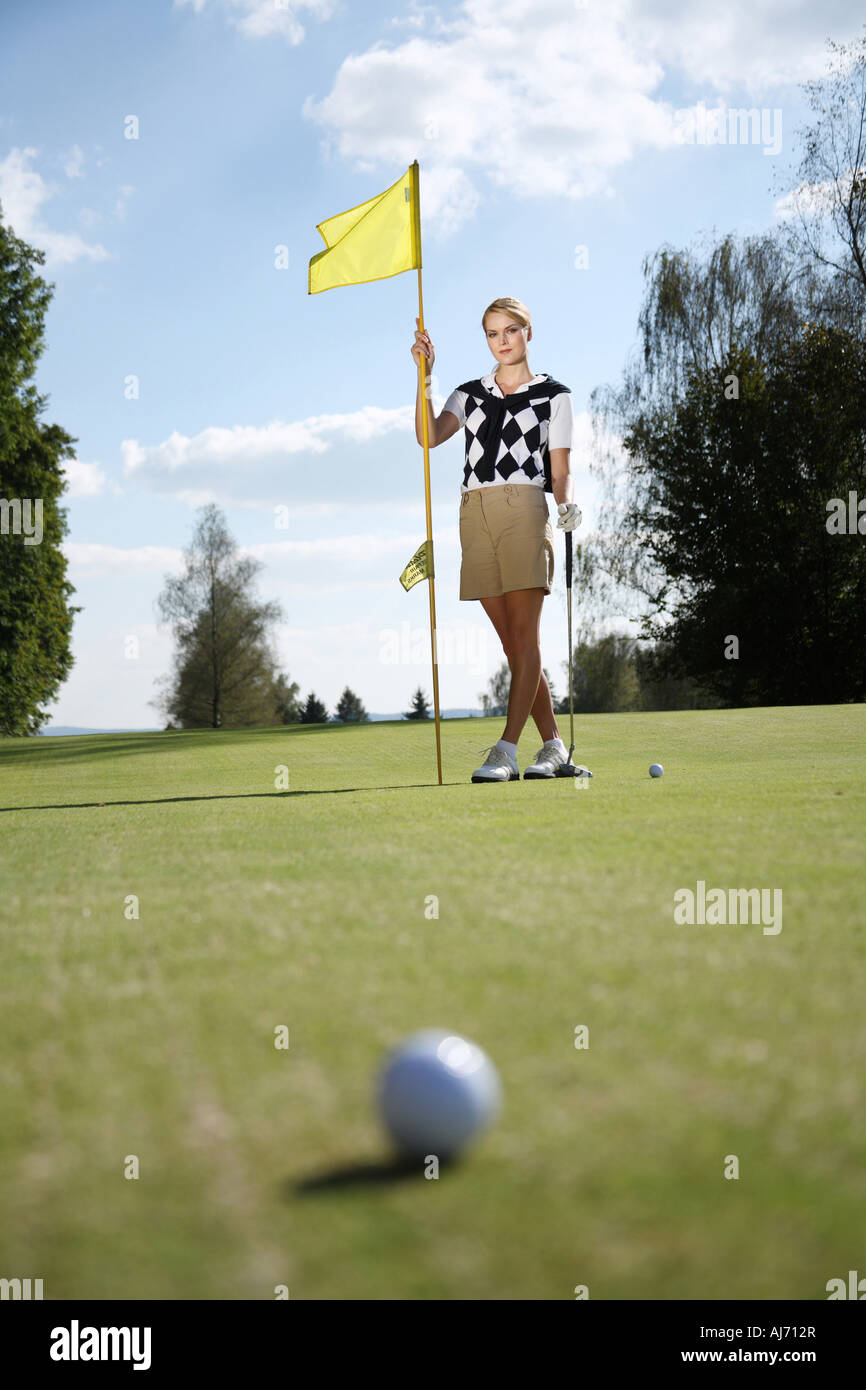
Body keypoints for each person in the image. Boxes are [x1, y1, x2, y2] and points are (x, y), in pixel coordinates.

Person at [411, 295, 590, 783]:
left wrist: (566, 504)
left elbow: (560, 468)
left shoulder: (555, 396)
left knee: (524, 636)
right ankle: (553, 747)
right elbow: (428, 435)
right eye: (492, 334)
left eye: (510, 331)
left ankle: (507, 750)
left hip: (525, 509)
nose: (502, 341)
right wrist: (425, 376)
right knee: (513, 644)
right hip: (474, 513)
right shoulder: (469, 394)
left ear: (527, 333)